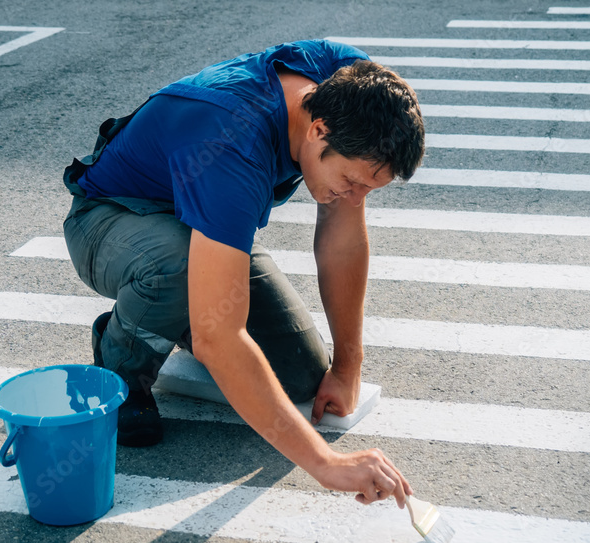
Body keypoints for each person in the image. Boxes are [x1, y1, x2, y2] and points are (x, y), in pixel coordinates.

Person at [62, 40, 424, 507]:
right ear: (317, 130)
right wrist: (326, 464)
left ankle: (178, 314)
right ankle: (123, 358)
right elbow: (221, 337)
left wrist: (347, 363)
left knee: (300, 379)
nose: (356, 198)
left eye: (369, 188)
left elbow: (342, 238)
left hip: (203, 223)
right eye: (352, 183)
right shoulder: (232, 143)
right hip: (110, 219)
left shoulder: (352, 87)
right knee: (182, 275)